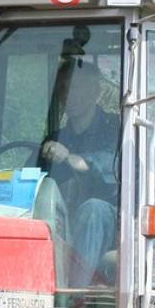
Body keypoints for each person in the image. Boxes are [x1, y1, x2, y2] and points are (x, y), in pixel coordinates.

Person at [39, 63, 119, 285]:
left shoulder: (118, 128)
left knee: (94, 208)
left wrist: (72, 159)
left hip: (113, 223)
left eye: (76, 88)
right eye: (64, 89)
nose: (69, 95)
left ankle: (74, 298)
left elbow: (114, 167)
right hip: (65, 219)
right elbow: (33, 179)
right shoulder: (55, 137)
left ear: (96, 91)